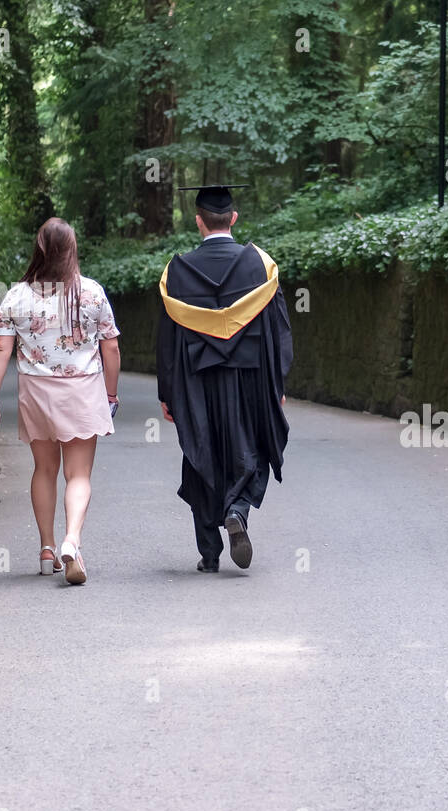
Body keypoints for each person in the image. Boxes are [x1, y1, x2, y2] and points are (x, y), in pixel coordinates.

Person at [0, 217, 121, 585]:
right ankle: (72, 541)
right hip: (82, 389)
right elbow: (111, 346)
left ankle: (46, 549)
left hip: (36, 391)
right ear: (72, 249)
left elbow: (1, 349)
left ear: (39, 248)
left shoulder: (16, 296)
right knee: (79, 474)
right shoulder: (91, 293)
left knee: (44, 470)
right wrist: (109, 393)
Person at [156, 184, 292, 573]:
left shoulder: (177, 272)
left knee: (201, 451)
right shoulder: (261, 267)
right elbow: (280, 329)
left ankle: (209, 553)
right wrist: (277, 384)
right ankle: (238, 509)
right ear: (233, 218)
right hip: (249, 379)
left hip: (197, 382)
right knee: (250, 446)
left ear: (198, 221)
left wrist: (168, 393)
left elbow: (166, 340)